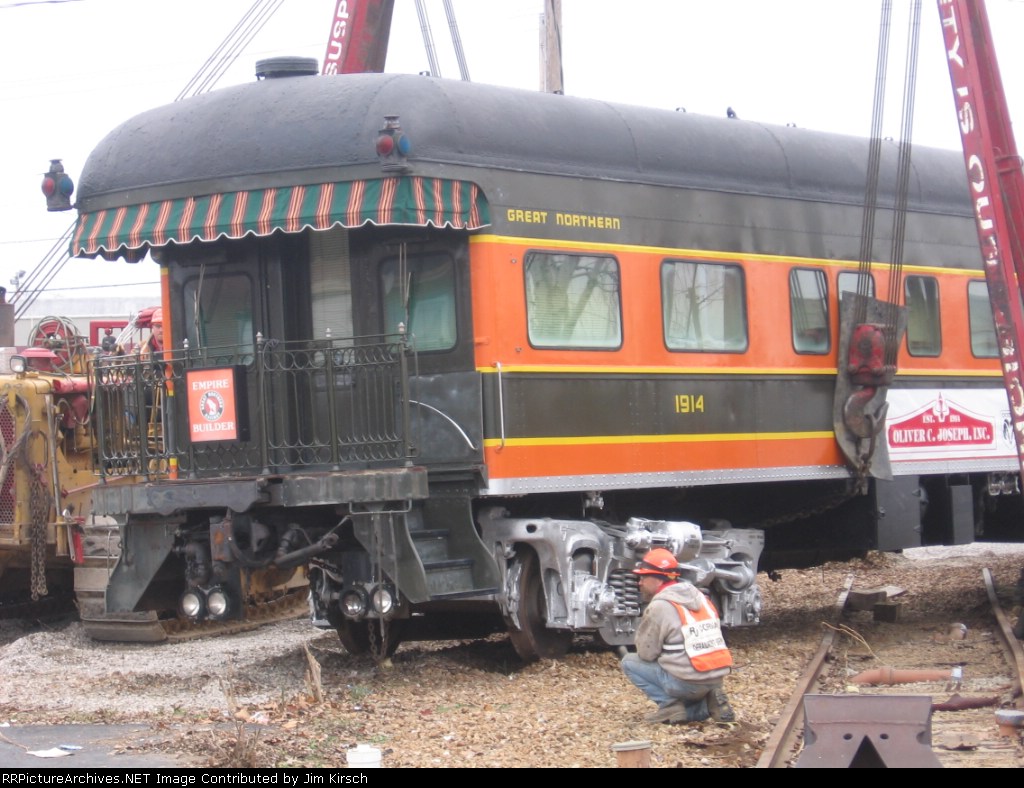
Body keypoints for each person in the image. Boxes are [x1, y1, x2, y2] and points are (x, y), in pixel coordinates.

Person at [621, 547, 736, 724]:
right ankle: (710, 700)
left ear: (658, 579)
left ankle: (670, 707)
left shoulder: (660, 606)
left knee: (629, 662)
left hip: (688, 682)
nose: (640, 582)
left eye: (644, 576)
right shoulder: (701, 598)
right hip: (716, 677)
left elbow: (646, 653)